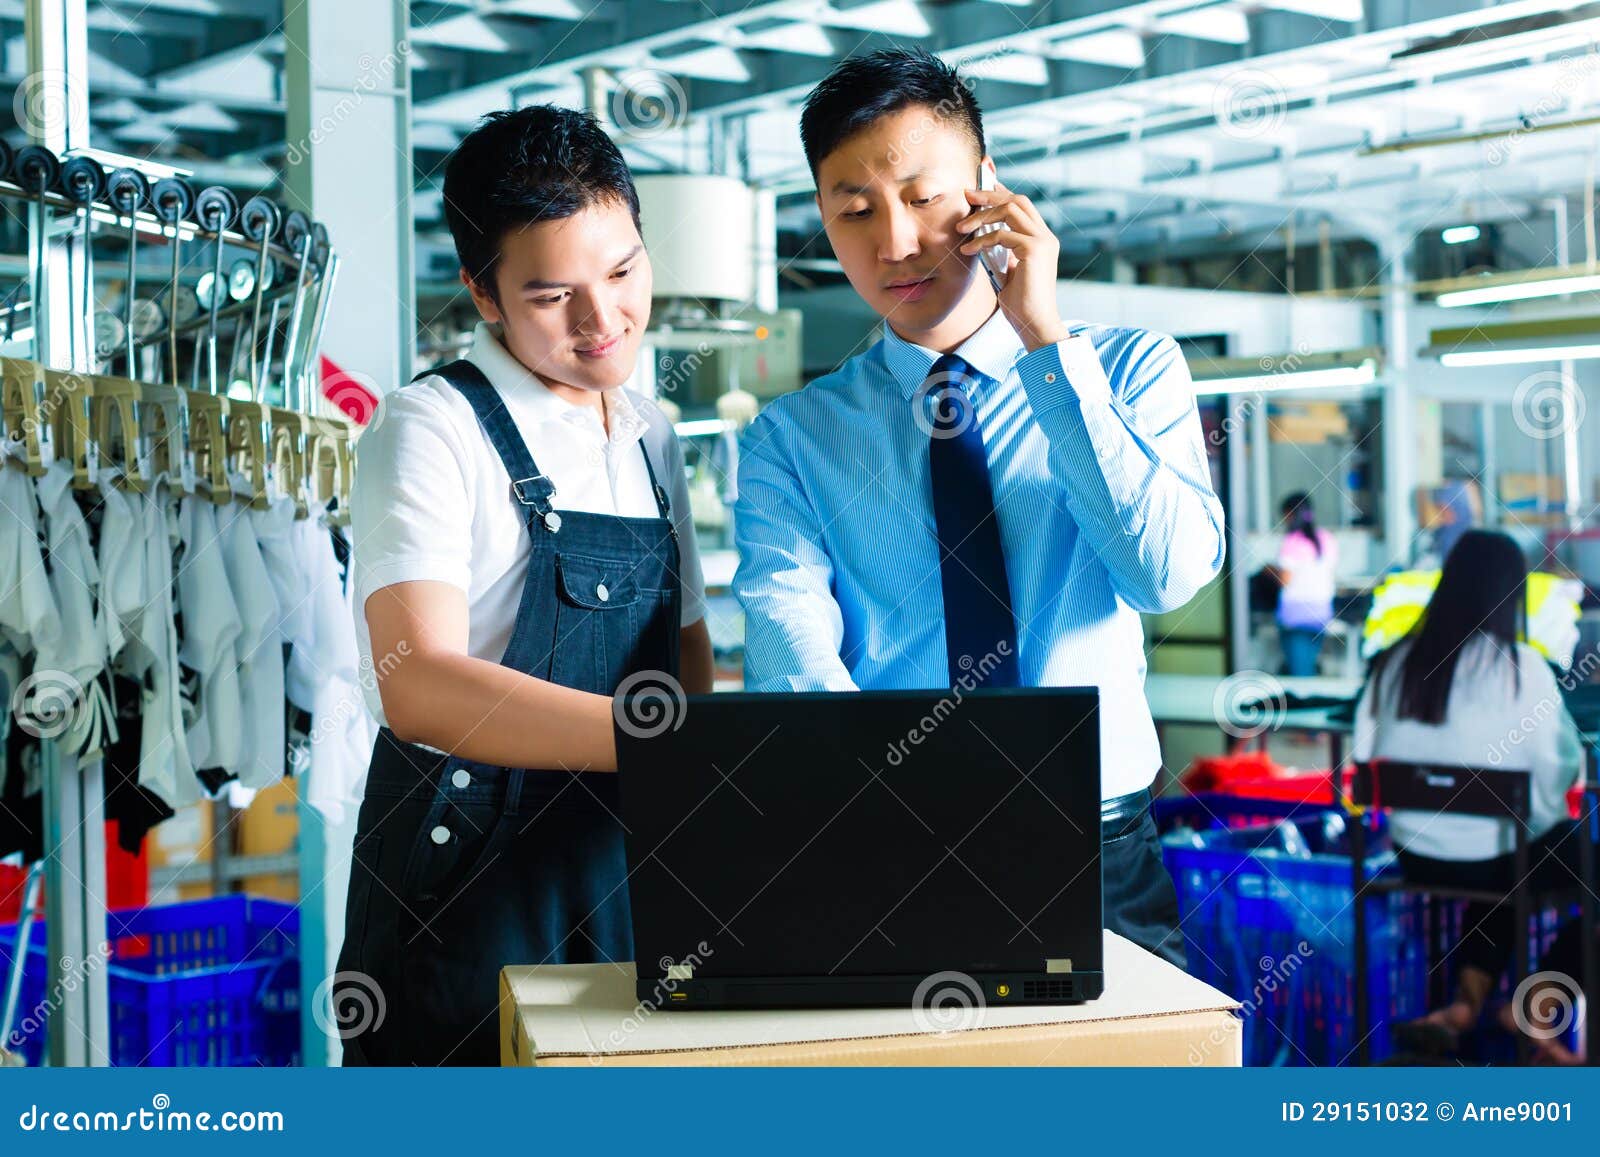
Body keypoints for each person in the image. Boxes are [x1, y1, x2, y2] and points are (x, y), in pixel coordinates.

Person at [732, 49, 1226, 967]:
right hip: (893, 845)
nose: (894, 242)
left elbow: (1165, 576)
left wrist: (1045, 339)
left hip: (1101, 854)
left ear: (988, 188)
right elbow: (793, 669)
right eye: (853, 211)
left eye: (921, 197)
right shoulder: (790, 439)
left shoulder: (1129, 367)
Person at [336, 106, 713, 1065]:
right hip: (465, 883)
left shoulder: (652, 434)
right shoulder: (431, 427)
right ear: (485, 294)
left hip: (622, 868)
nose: (603, 321)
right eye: (553, 296)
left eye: (624, 271)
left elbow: (688, 658)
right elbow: (416, 679)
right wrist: (666, 747)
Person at [1352, 529, 1589, 1063]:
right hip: (1500, 854)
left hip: (1416, 856)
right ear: (1512, 593)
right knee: (1535, 855)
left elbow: (1361, 759)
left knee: (1508, 862)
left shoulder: (1395, 662)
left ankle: (1463, 1008)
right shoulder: (1521, 668)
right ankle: (1536, 1007)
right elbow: (1560, 771)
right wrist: (1535, 816)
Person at [1272, 492, 1337, 677]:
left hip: (1295, 615)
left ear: (1290, 514)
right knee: (1308, 665)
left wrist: (1270, 572)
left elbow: (1285, 580)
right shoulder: (1326, 538)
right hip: (1320, 612)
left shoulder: (1291, 542)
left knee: (1300, 675)